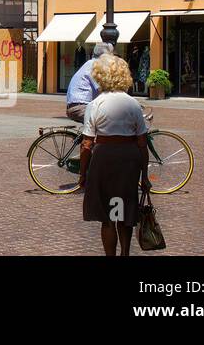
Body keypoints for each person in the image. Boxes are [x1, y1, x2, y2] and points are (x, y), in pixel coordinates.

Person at [78, 54, 150, 256]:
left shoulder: (96, 104)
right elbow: (142, 143)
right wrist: (144, 175)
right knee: (124, 209)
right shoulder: (133, 104)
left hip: (104, 158)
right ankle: (125, 253)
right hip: (128, 159)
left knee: (109, 214)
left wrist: (83, 173)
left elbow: (86, 144)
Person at [66, 43, 111, 124]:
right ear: (104, 56)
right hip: (80, 107)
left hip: (77, 105)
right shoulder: (95, 66)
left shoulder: (90, 63)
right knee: (107, 121)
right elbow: (102, 89)